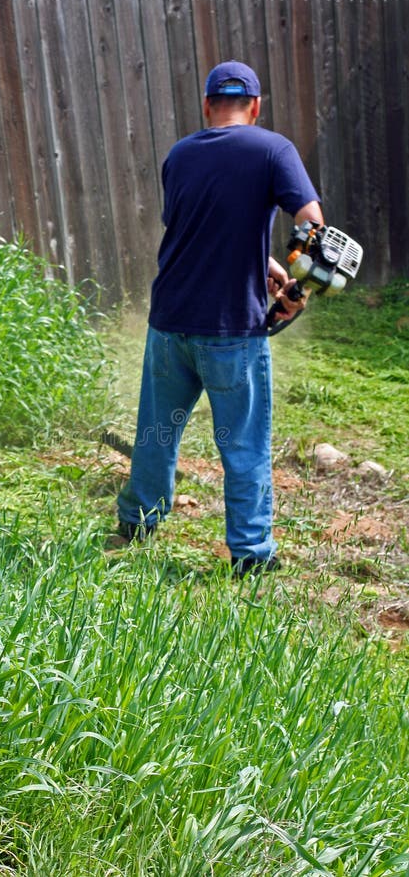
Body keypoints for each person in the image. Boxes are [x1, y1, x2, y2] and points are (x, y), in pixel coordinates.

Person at [117, 61, 323, 576]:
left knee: (156, 433)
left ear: (208, 106)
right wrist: (297, 286)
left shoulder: (180, 155)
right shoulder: (274, 149)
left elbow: (201, 230)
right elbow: (313, 227)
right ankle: (251, 555)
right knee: (244, 445)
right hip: (231, 330)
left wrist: (270, 268)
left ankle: (137, 522)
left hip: (170, 321)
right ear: (255, 106)